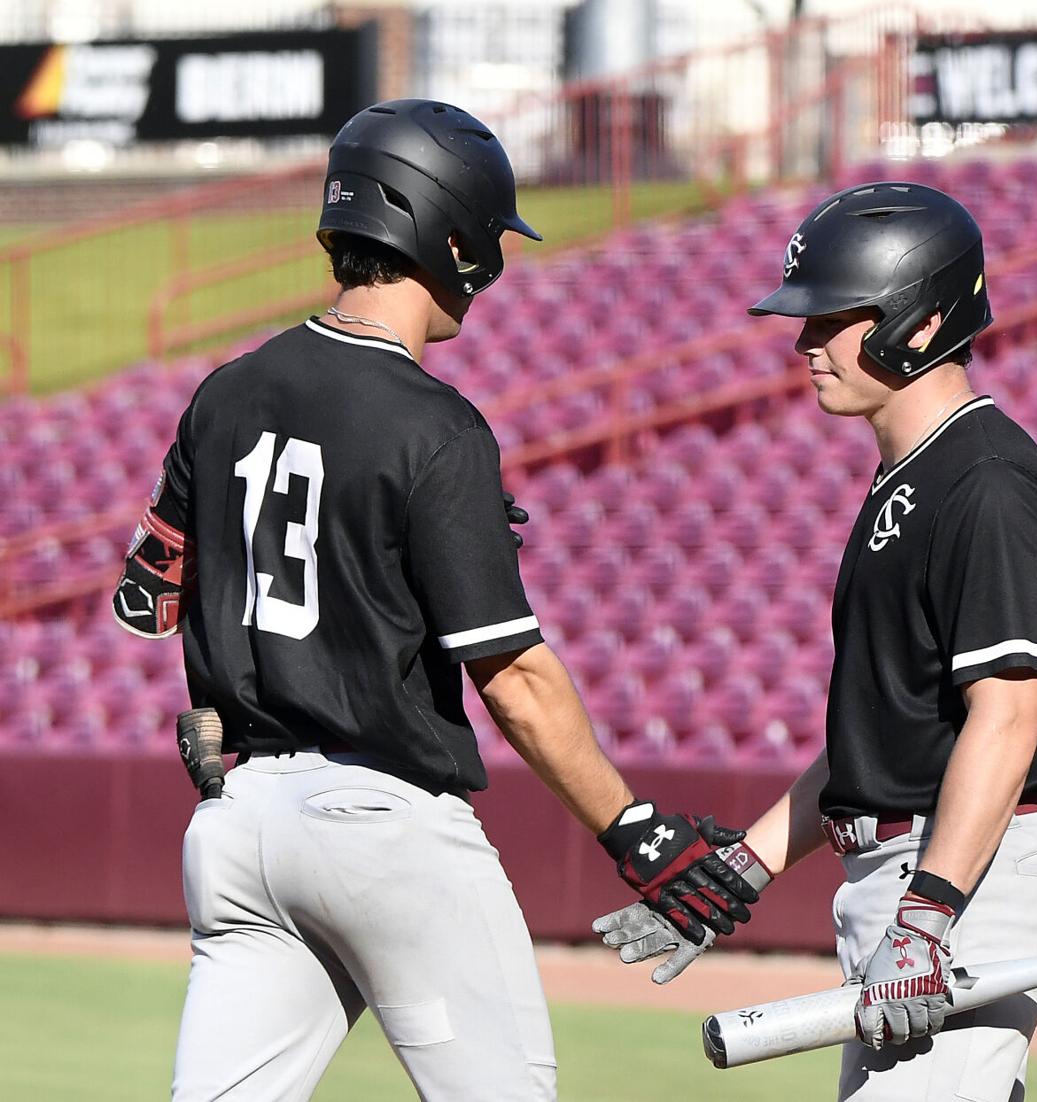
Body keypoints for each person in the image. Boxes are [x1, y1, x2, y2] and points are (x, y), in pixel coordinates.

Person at [112, 98, 757, 1102]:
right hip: (382, 823)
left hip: (238, 830)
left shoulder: (223, 393)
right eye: (486, 235)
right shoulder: (435, 428)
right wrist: (636, 830)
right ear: (445, 232)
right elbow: (516, 682)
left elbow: (145, 600)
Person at [595, 181, 1037, 1100]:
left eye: (832, 319)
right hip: (904, 874)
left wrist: (929, 914)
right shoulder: (908, 476)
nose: (803, 343)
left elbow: (1010, 718)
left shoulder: (988, 484)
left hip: (961, 876)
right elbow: (887, 735)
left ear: (922, 321)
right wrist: (749, 864)